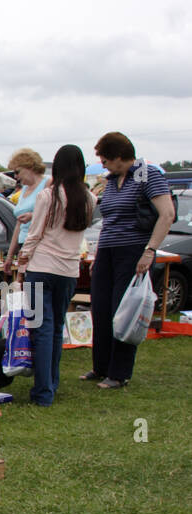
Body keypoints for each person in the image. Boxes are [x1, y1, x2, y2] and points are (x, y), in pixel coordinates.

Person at [85, 131, 176, 389]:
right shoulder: (112, 180)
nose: (101, 163)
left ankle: (119, 372)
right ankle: (100, 366)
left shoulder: (147, 175)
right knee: (101, 308)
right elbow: (108, 220)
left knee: (123, 311)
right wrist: (98, 254)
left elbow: (166, 214)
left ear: (118, 156)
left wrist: (150, 250)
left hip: (133, 248)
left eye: (104, 158)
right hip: (108, 249)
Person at [18, 144, 95, 406]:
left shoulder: (48, 196)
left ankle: (43, 391)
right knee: (56, 328)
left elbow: (35, 234)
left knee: (42, 330)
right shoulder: (89, 199)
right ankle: (50, 384)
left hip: (41, 268)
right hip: (69, 270)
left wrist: (21, 264)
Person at [3, 149, 48, 280]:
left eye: (17, 172)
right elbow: (18, 225)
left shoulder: (47, 183)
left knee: (36, 290)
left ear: (30, 167)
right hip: (24, 246)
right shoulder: (24, 190)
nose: (16, 177)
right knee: (25, 290)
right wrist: (10, 256)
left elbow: (56, 212)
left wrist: (33, 215)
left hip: (40, 246)